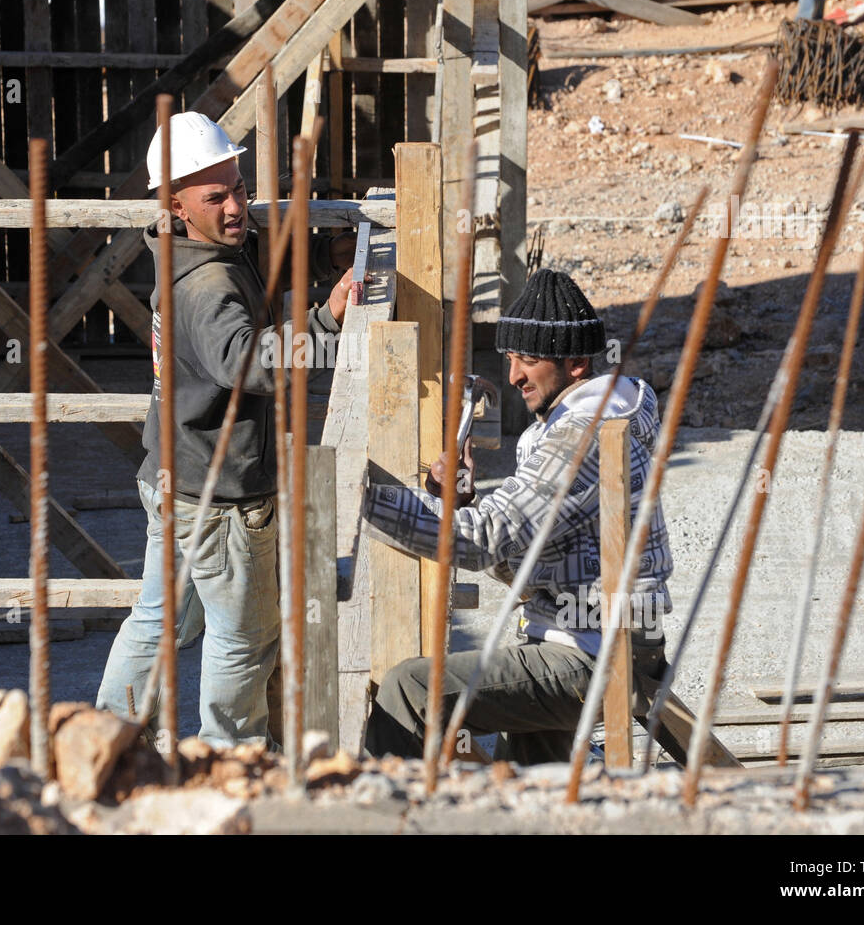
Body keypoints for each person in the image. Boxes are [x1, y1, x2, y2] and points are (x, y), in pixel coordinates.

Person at [96, 111, 356, 747]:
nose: (238, 204)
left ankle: (105, 739)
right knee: (243, 637)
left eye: (239, 186)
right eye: (218, 196)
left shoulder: (203, 247)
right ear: (176, 203)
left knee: (161, 620)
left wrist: (327, 253)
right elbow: (249, 363)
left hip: (173, 477)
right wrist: (325, 322)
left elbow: (266, 254)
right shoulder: (208, 284)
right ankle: (231, 760)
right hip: (219, 495)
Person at [360, 268, 673, 763]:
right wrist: (460, 504)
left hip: (593, 653)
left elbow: (482, 541)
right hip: (589, 641)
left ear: (574, 364)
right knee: (535, 789)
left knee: (409, 690)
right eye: (510, 359)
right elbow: (523, 564)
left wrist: (362, 501)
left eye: (528, 360)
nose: (513, 377)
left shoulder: (583, 437)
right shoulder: (581, 423)